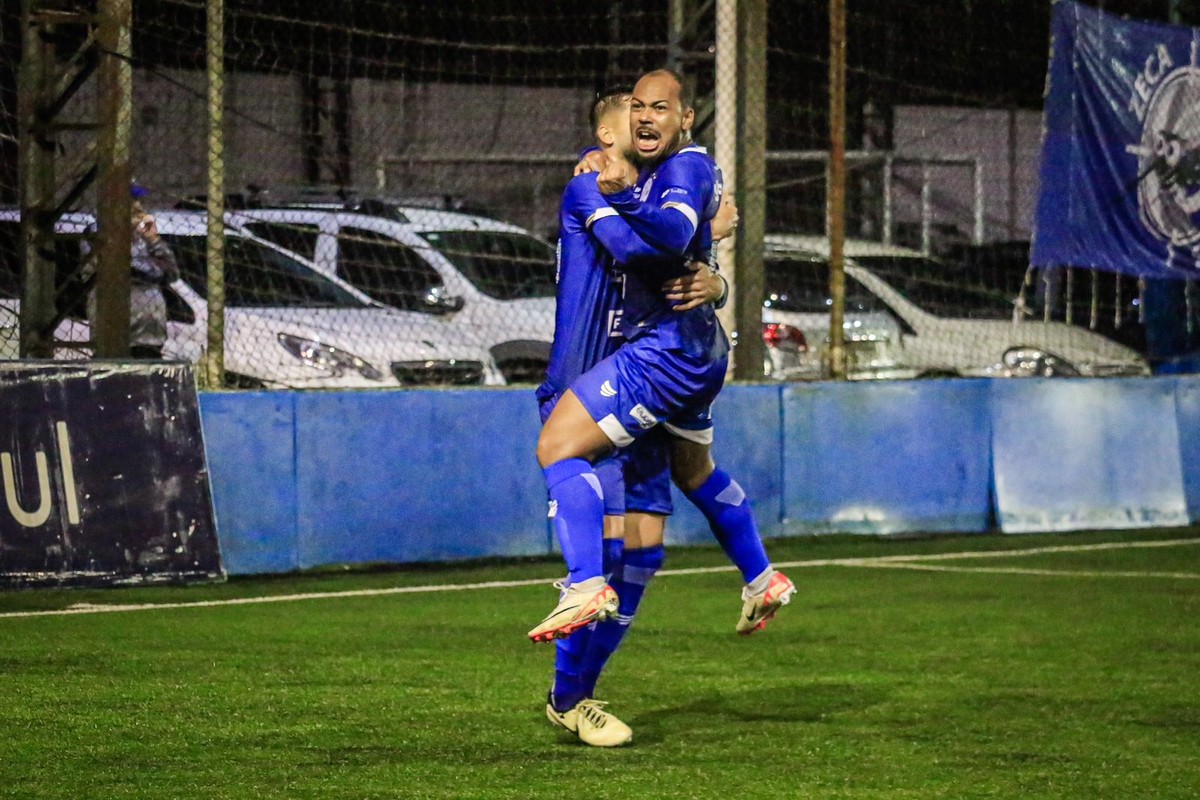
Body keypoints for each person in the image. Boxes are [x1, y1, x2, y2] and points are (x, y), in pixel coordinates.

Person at [534, 71, 794, 744]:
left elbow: (668, 238)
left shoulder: (660, 179)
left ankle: (577, 694)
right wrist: (709, 239)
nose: (645, 121)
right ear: (609, 131)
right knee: (614, 544)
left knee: (645, 552)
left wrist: (715, 271)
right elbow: (640, 249)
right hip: (587, 381)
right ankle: (570, 685)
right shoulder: (590, 184)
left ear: (682, 118)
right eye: (633, 113)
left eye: (656, 110)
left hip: (641, 376)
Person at [88, 182, 180, 359]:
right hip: (116, 333)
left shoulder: (142, 238)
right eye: (131, 201)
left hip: (150, 334)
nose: (139, 207)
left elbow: (172, 273)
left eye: (138, 201)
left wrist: (153, 240)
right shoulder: (96, 234)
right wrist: (155, 272)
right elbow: (124, 271)